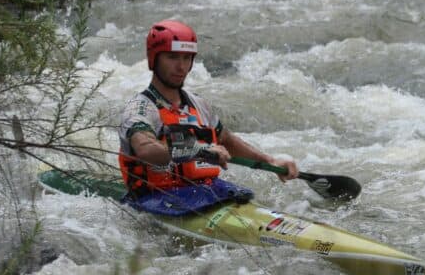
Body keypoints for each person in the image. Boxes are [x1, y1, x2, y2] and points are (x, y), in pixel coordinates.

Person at [118, 20, 298, 215]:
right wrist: (199, 150)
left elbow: (227, 141)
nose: (181, 66)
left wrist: (270, 161)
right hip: (157, 198)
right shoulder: (141, 108)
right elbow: (145, 149)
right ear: (154, 58)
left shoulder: (199, 105)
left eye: (187, 58)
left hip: (206, 192)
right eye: (172, 57)